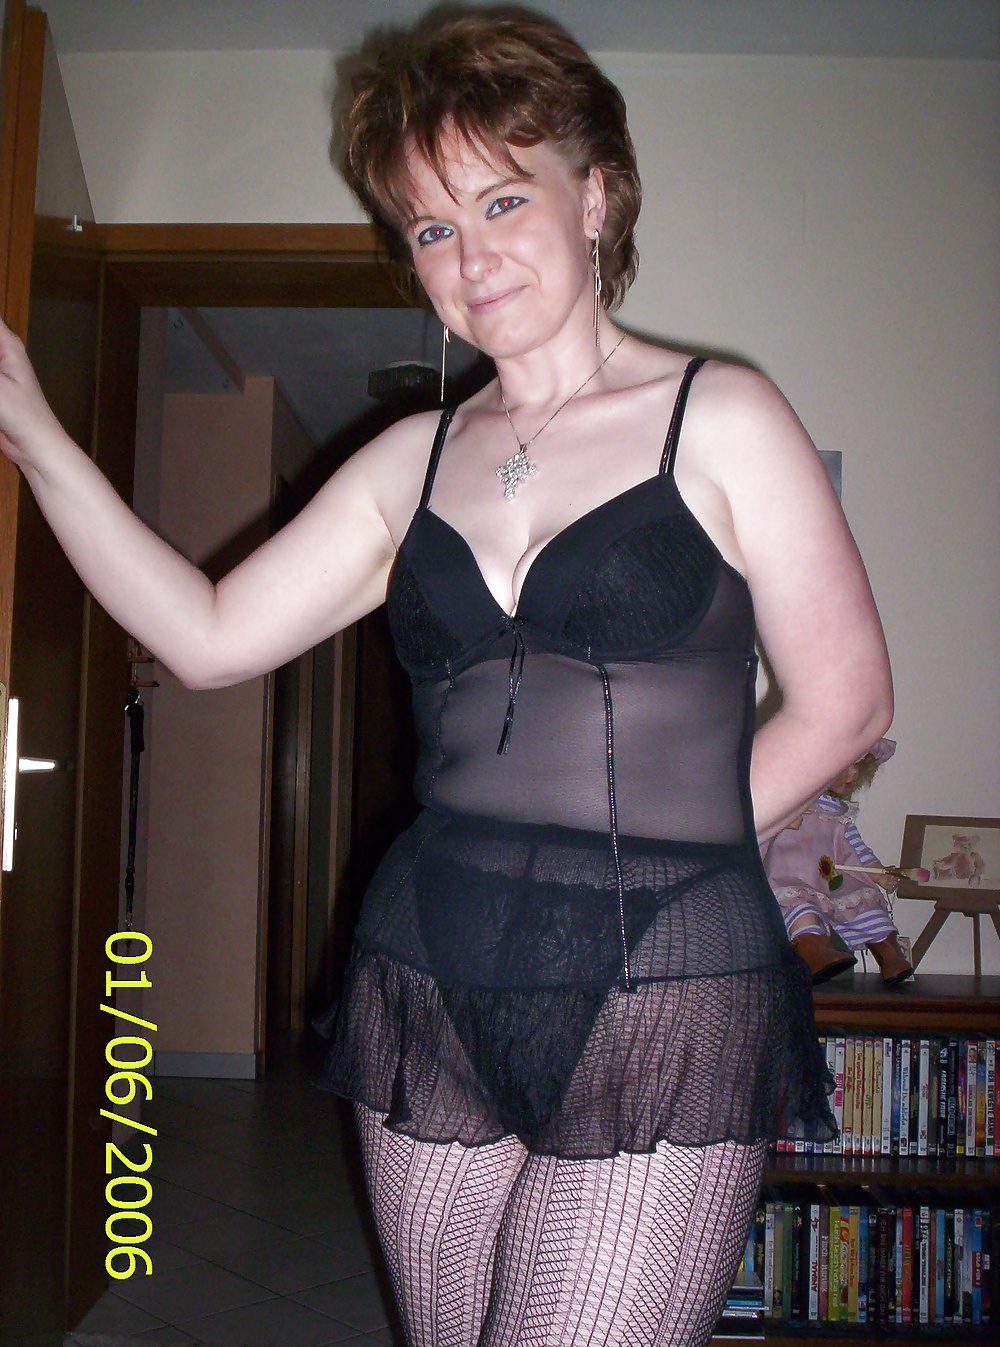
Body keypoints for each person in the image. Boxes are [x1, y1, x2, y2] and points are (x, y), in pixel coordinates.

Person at [0, 11, 892, 1345]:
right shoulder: (404, 459)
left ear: (596, 198)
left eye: (500, 200)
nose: (469, 256)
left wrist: (653, 865)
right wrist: (32, 431)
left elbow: (849, 702)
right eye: (428, 226)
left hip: (655, 980)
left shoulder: (720, 416)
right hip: (431, 966)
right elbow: (205, 635)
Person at [761, 739, 914, 986]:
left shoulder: (842, 813)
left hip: (833, 878)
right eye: (845, 766)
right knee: (800, 907)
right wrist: (783, 819)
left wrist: (878, 873)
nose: (853, 774)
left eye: (858, 767)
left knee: (865, 903)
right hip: (792, 872)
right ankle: (814, 950)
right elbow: (759, 824)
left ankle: (890, 954)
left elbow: (857, 848)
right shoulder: (793, 799)